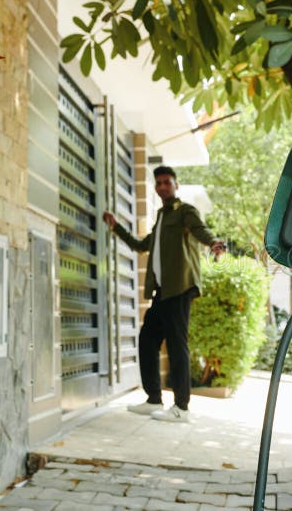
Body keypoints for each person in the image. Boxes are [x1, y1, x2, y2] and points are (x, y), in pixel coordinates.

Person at [103, 165, 225, 422]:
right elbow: (142, 245)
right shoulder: (161, 217)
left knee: (177, 345)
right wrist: (116, 227)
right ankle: (154, 399)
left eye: (166, 182)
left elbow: (200, 229)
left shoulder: (184, 211)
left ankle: (181, 407)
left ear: (176, 185)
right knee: (147, 340)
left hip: (180, 288)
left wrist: (213, 242)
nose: (162, 187)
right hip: (163, 291)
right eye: (158, 183)